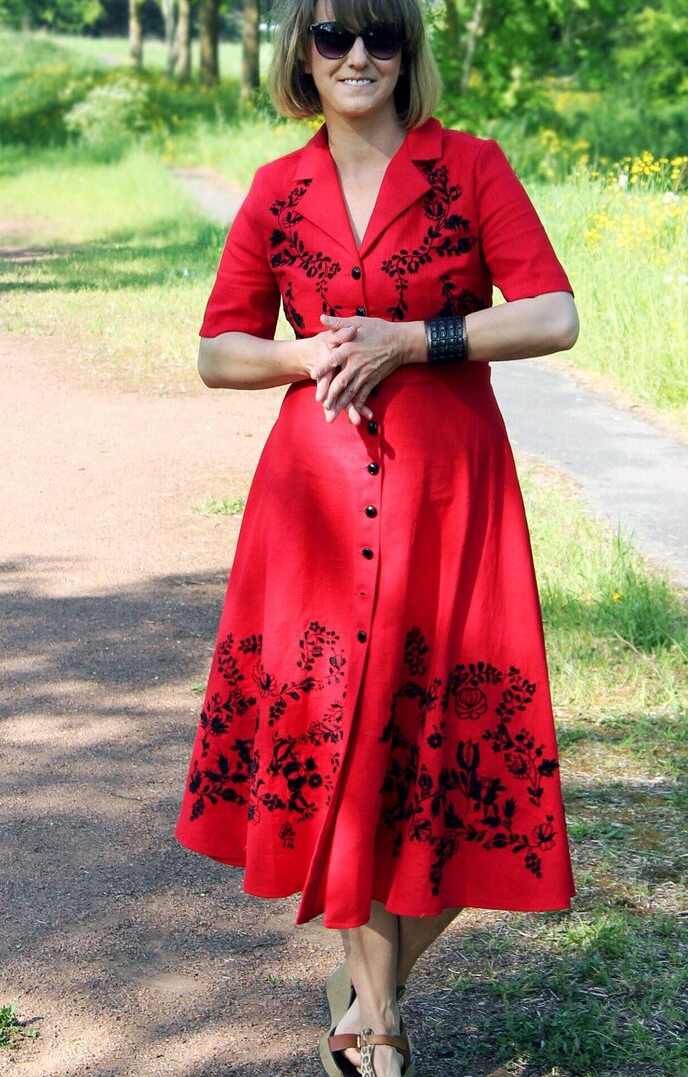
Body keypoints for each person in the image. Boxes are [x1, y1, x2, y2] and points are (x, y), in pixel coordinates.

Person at [175, 1, 579, 1073]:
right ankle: (380, 1029)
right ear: (301, 56)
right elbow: (218, 350)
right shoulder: (278, 189)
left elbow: (552, 316)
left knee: (460, 764)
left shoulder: (472, 168)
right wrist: (310, 355)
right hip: (313, 503)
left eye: (380, 36)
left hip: (450, 502)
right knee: (339, 746)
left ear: (408, 52)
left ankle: (362, 987)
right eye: (333, 37)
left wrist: (411, 339)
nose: (357, 56)